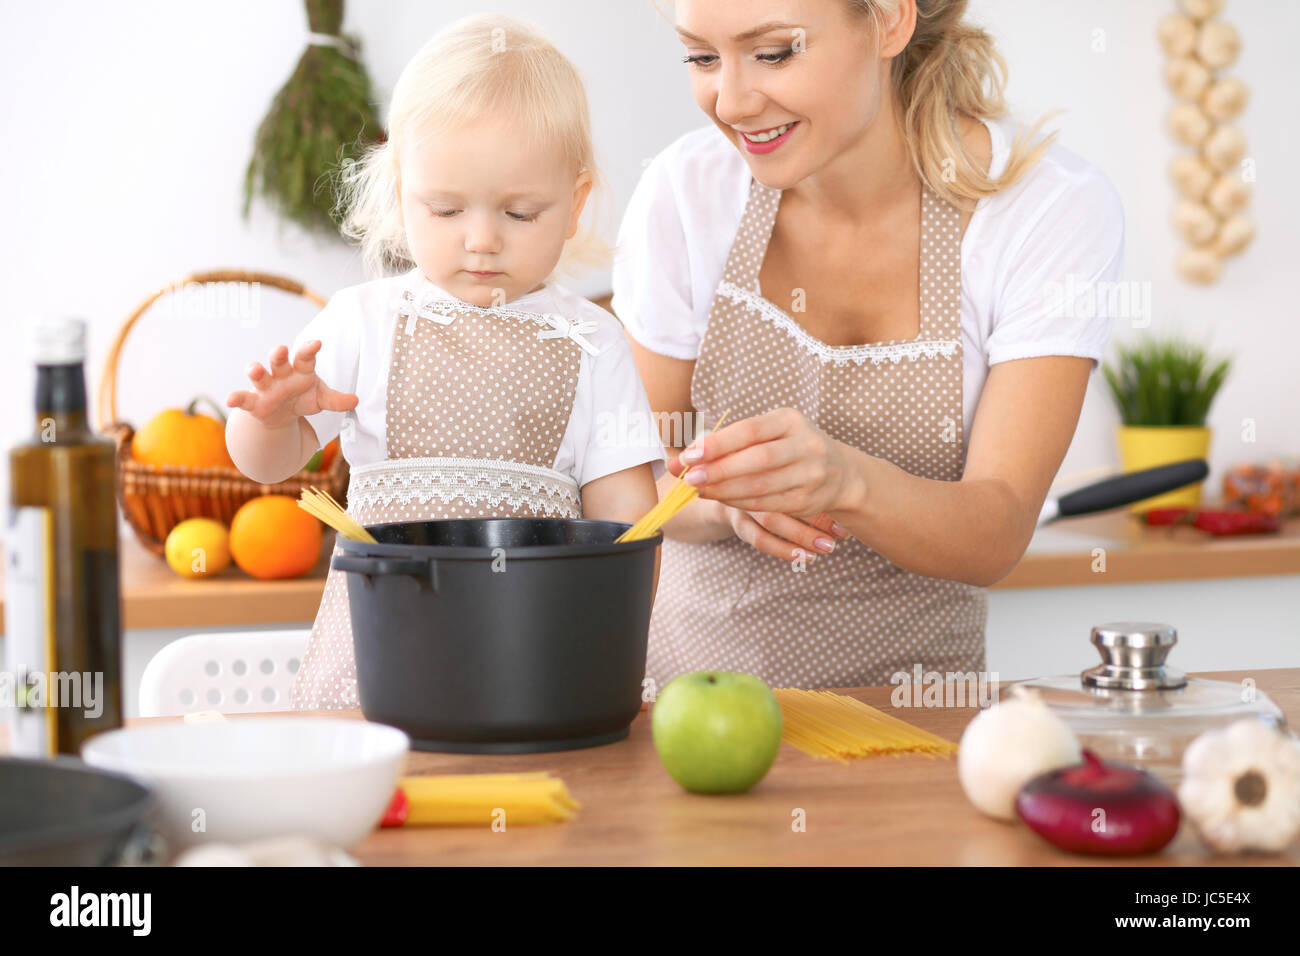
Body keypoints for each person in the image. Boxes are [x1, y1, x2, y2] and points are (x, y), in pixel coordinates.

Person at [612, 0, 1124, 690]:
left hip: (914, 727)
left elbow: (997, 528)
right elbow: (636, 480)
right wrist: (724, 503)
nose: (730, 101)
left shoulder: (1043, 208)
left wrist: (846, 481)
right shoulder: (684, 193)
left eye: (773, 53)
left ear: (888, 21)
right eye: (702, 57)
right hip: (682, 710)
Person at [226, 13, 665, 710]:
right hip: (377, 661)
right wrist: (271, 421)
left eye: (520, 213)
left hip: (533, 654)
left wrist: (611, 648)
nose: (482, 240)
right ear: (402, 191)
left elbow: (625, 525)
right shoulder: (363, 322)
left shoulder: (592, 341)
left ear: (576, 203)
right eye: (446, 209)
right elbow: (265, 463)